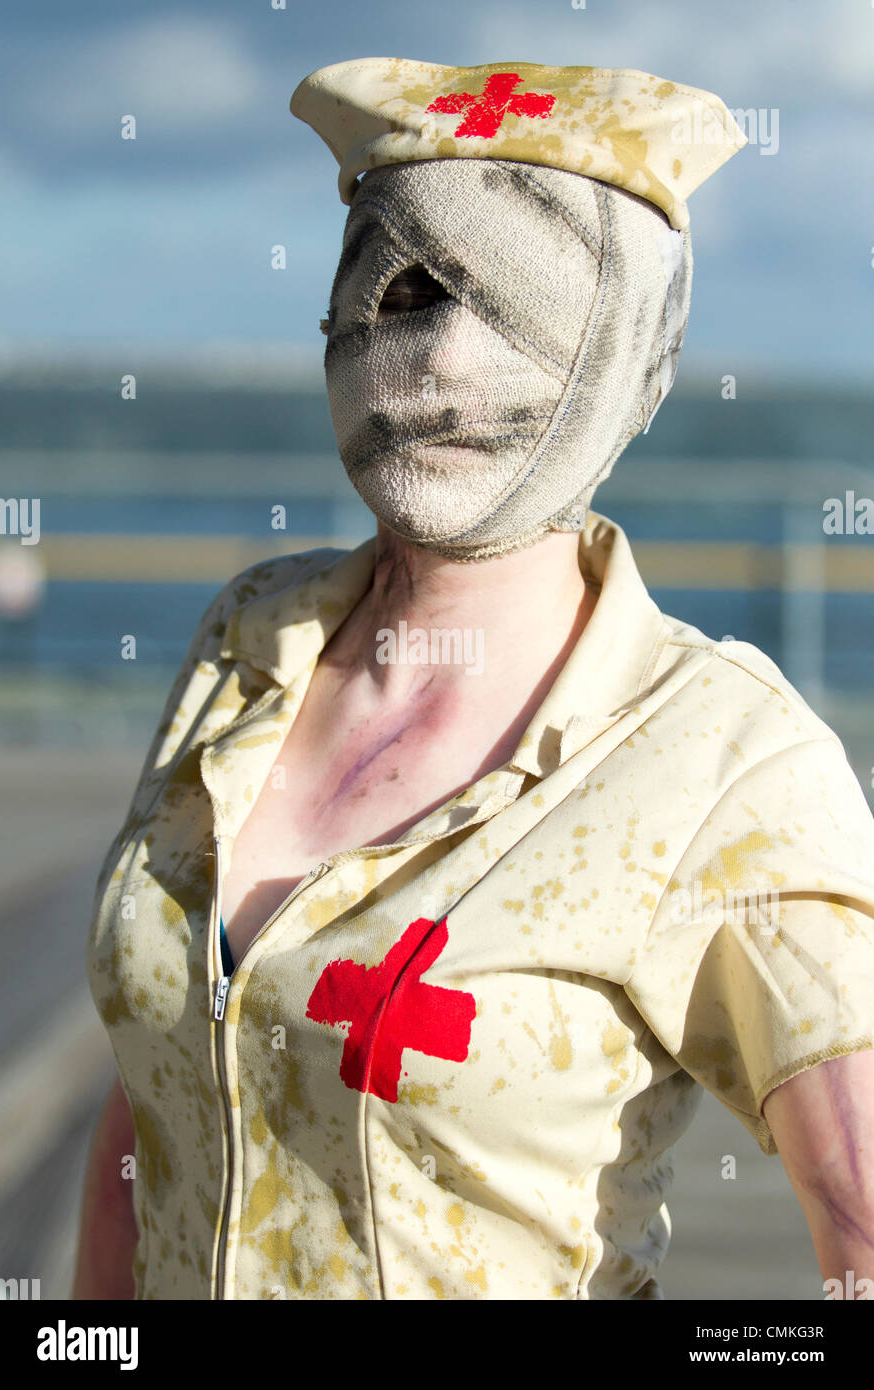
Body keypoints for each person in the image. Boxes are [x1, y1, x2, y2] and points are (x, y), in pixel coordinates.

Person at [72, 58, 874, 1301]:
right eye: (406, 288)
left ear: (638, 365)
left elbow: (860, 1223)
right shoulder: (249, 637)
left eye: (522, 312)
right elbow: (157, 1102)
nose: (444, 362)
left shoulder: (725, 764)